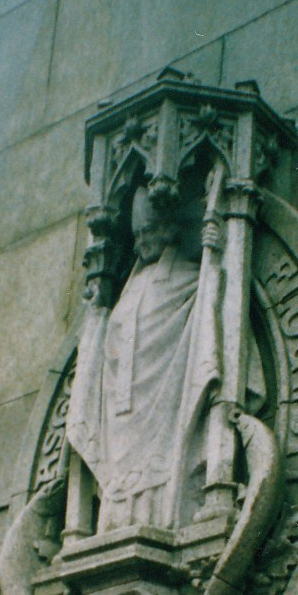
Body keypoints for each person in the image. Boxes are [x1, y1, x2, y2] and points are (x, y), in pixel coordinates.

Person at [65, 183, 222, 533]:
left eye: (146, 232)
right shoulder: (131, 286)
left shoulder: (188, 279)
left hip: (162, 409)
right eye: (135, 236)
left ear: (168, 229)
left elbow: (206, 317)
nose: (139, 243)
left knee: (158, 474)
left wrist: (216, 254)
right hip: (122, 416)